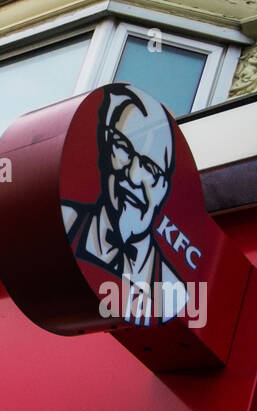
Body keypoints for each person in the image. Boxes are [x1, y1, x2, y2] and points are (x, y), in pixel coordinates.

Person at [61, 84, 187, 325]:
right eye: (123, 148)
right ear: (104, 150)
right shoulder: (60, 224)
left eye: (151, 168)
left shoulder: (176, 293)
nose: (134, 175)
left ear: (165, 189)